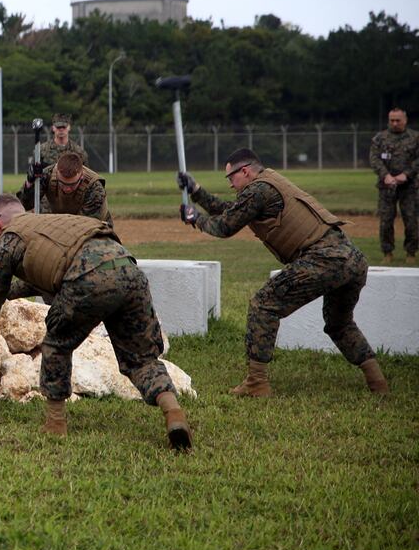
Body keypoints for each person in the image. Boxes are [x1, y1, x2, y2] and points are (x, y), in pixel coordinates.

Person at [0, 194, 192, 451]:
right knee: (140, 358)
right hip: (129, 271)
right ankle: (174, 414)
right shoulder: (49, 225)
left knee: (56, 344)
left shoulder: (9, 239)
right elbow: (41, 275)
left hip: (87, 279)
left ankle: (55, 424)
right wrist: (8, 291)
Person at [177, 148, 389, 398]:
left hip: (324, 259)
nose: (231, 184)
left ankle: (256, 382)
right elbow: (232, 209)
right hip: (351, 259)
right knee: (339, 323)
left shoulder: (258, 190)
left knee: (263, 304)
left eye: (231, 178)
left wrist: (195, 219)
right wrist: (196, 191)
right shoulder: (268, 184)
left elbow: (225, 226)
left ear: (244, 171)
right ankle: (378, 383)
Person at [17, 114, 112, 226]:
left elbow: (86, 225)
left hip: (79, 210)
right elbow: (24, 202)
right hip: (49, 203)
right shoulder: (43, 153)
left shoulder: (80, 154)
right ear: (53, 128)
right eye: (58, 127)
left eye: (64, 127)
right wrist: (30, 182)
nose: (61, 130)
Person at [368, 108, 418, 264]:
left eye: (398, 120)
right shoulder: (380, 139)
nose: (394, 123)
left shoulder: (415, 138)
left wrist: (407, 174)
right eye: (392, 120)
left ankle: (411, 253)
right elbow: (374, 159)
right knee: (386, 221)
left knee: (410, 220)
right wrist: (386, 176)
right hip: (387, 187)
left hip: (409, 187)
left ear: (405, 120)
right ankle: (387, 252)